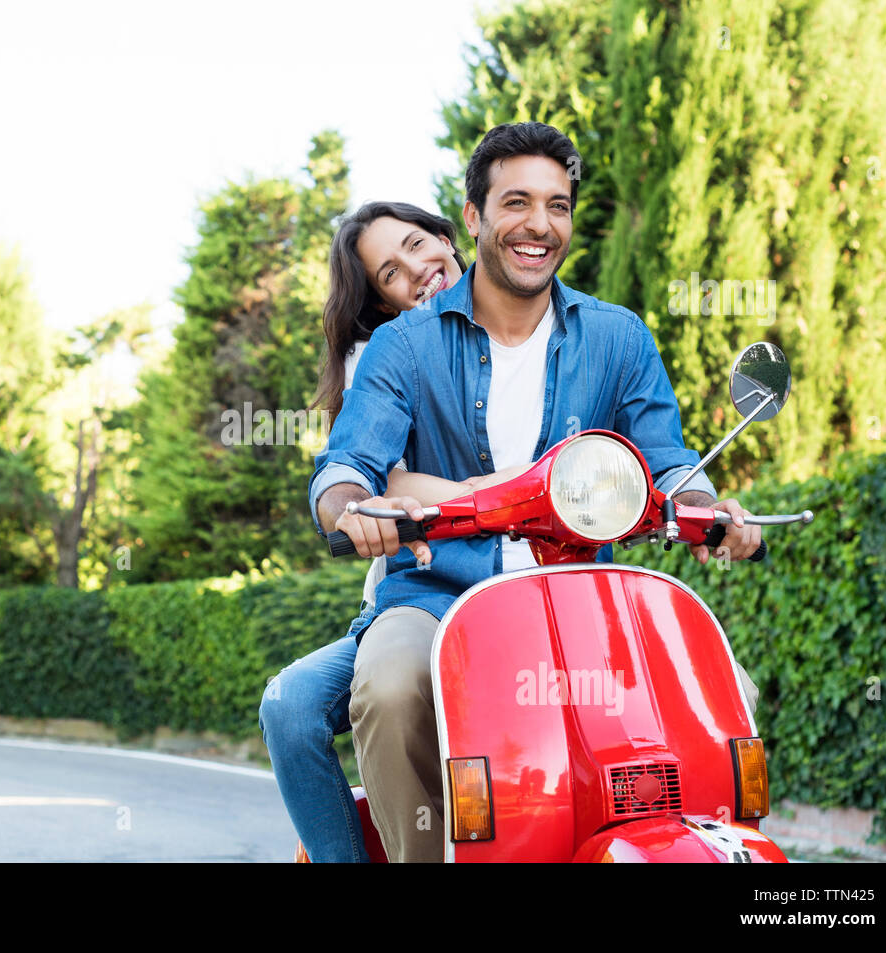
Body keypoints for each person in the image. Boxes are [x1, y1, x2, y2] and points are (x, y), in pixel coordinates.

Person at [310, 121, 762, 863]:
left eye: (557, 205)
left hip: (584, 598)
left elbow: (670, 460)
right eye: (516, 202)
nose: (538, 225)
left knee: (724, 686)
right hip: (436, 596)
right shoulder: (405, 345)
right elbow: (348, 462)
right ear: (474, 217)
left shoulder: (618, 337)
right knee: (390, 687)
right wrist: (349, 507)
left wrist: (710, 510)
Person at [259, 202, 527, 863]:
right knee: (291, 704)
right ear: (384, 306)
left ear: (447, 235)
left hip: (528, 593)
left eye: (417, 245)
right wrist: (500, 492)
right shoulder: (390, 363)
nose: (418, 270)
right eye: (391, 273)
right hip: (420, 598)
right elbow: (376, 480)